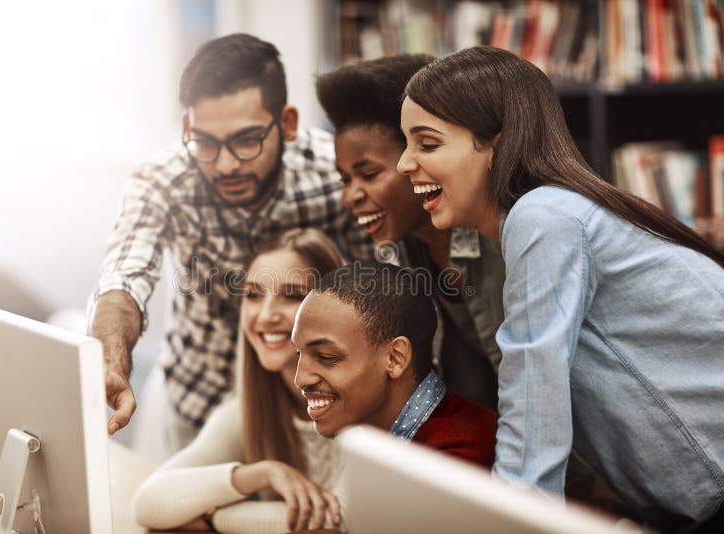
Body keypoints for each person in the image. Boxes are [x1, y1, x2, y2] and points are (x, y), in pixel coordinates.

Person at [397, 45, 724, 531]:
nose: (405, 164)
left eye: (427, 144)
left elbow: (532, 391)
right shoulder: (551, 214)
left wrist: (508, 521)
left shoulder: (543, 217)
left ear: (496, 144)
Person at [89, 33, 372, 449]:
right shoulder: (162, 181)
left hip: (306, 413)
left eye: (246, 140)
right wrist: (111, 359)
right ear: (188, 127)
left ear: (288, 124)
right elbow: (123, 281)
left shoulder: (337, 174)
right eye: (205, 142)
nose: (225, 164)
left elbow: (381, 288)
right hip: (197, 404)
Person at [315, 54, 505, 409]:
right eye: (345, 179)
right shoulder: (405, 255)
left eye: (368, 174)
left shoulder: (504, 234)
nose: (350, 196)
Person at [132, 229, 346, 533]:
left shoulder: (359, 407)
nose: (266, 315)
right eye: (254, 295)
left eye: (292, 295)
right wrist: (262, 474)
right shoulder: (248, 409)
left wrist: (212, 517)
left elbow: (337, 523)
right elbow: (148, 503)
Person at [293, 261, 497, 464]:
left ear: (395, 358)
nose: (300, 379)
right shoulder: (375, 442)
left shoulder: (457, 452)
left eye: (326, 357)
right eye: (298, 354)